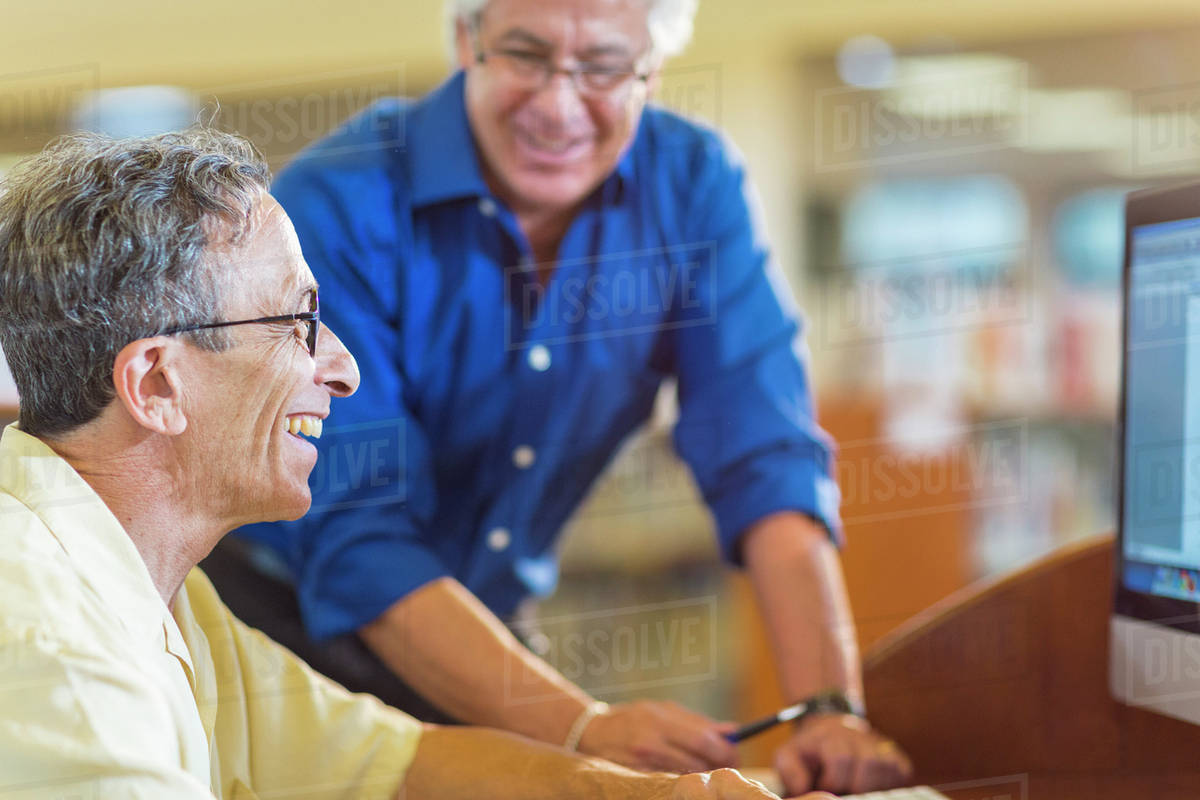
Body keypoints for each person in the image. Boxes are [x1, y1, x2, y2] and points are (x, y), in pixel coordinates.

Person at [0, 127, 835, 800]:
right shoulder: (46, 646)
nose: (344, 368)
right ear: (156, 384)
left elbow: (395, 760)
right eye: (297, 321)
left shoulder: (161, 588)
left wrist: (635, 794)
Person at [217, 0, 914, 795]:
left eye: (604, 67)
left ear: (651, 66)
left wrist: (826, 708)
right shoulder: (340, 201)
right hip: (281, 618)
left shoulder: (693, 187)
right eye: (525, 54)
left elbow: (766, 459)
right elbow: (362, 539)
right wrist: (584, 733)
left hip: (481, 623)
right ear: (463, 40)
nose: (557, 104)